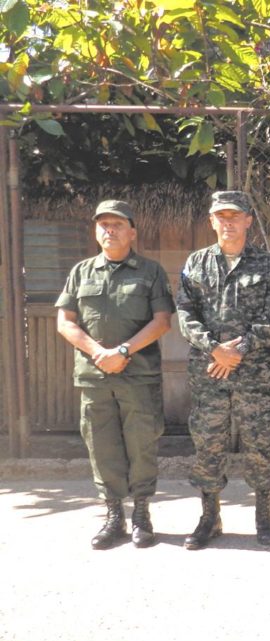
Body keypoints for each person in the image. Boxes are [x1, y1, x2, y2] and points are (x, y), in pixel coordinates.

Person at [56, 200, 175, 549]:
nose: (110, 230)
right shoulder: (81, 272)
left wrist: (122, 352)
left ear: (132, 231)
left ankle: (141, 514)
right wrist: (98, 353)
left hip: (138, 375)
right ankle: (113, 516)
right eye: (103, 225)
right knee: (102, 445)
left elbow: (162, 321)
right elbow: (66, 322)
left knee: (141, 444)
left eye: (117, 224)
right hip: (95, 377)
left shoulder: (150, 271)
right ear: (96, 232)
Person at [176, 191, 270, 549]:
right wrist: (214, 348)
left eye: (234, 216)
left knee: (260, 441)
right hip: (209, 370)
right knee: (208, 442)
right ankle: (210, 516)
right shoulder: (196, 263)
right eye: (221, 217)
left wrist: (238, 349)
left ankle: (264, 515)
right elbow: (185, 314)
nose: (228, 223)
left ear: (248, 220)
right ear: (211, 221)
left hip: (254, 371)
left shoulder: (268, 265)